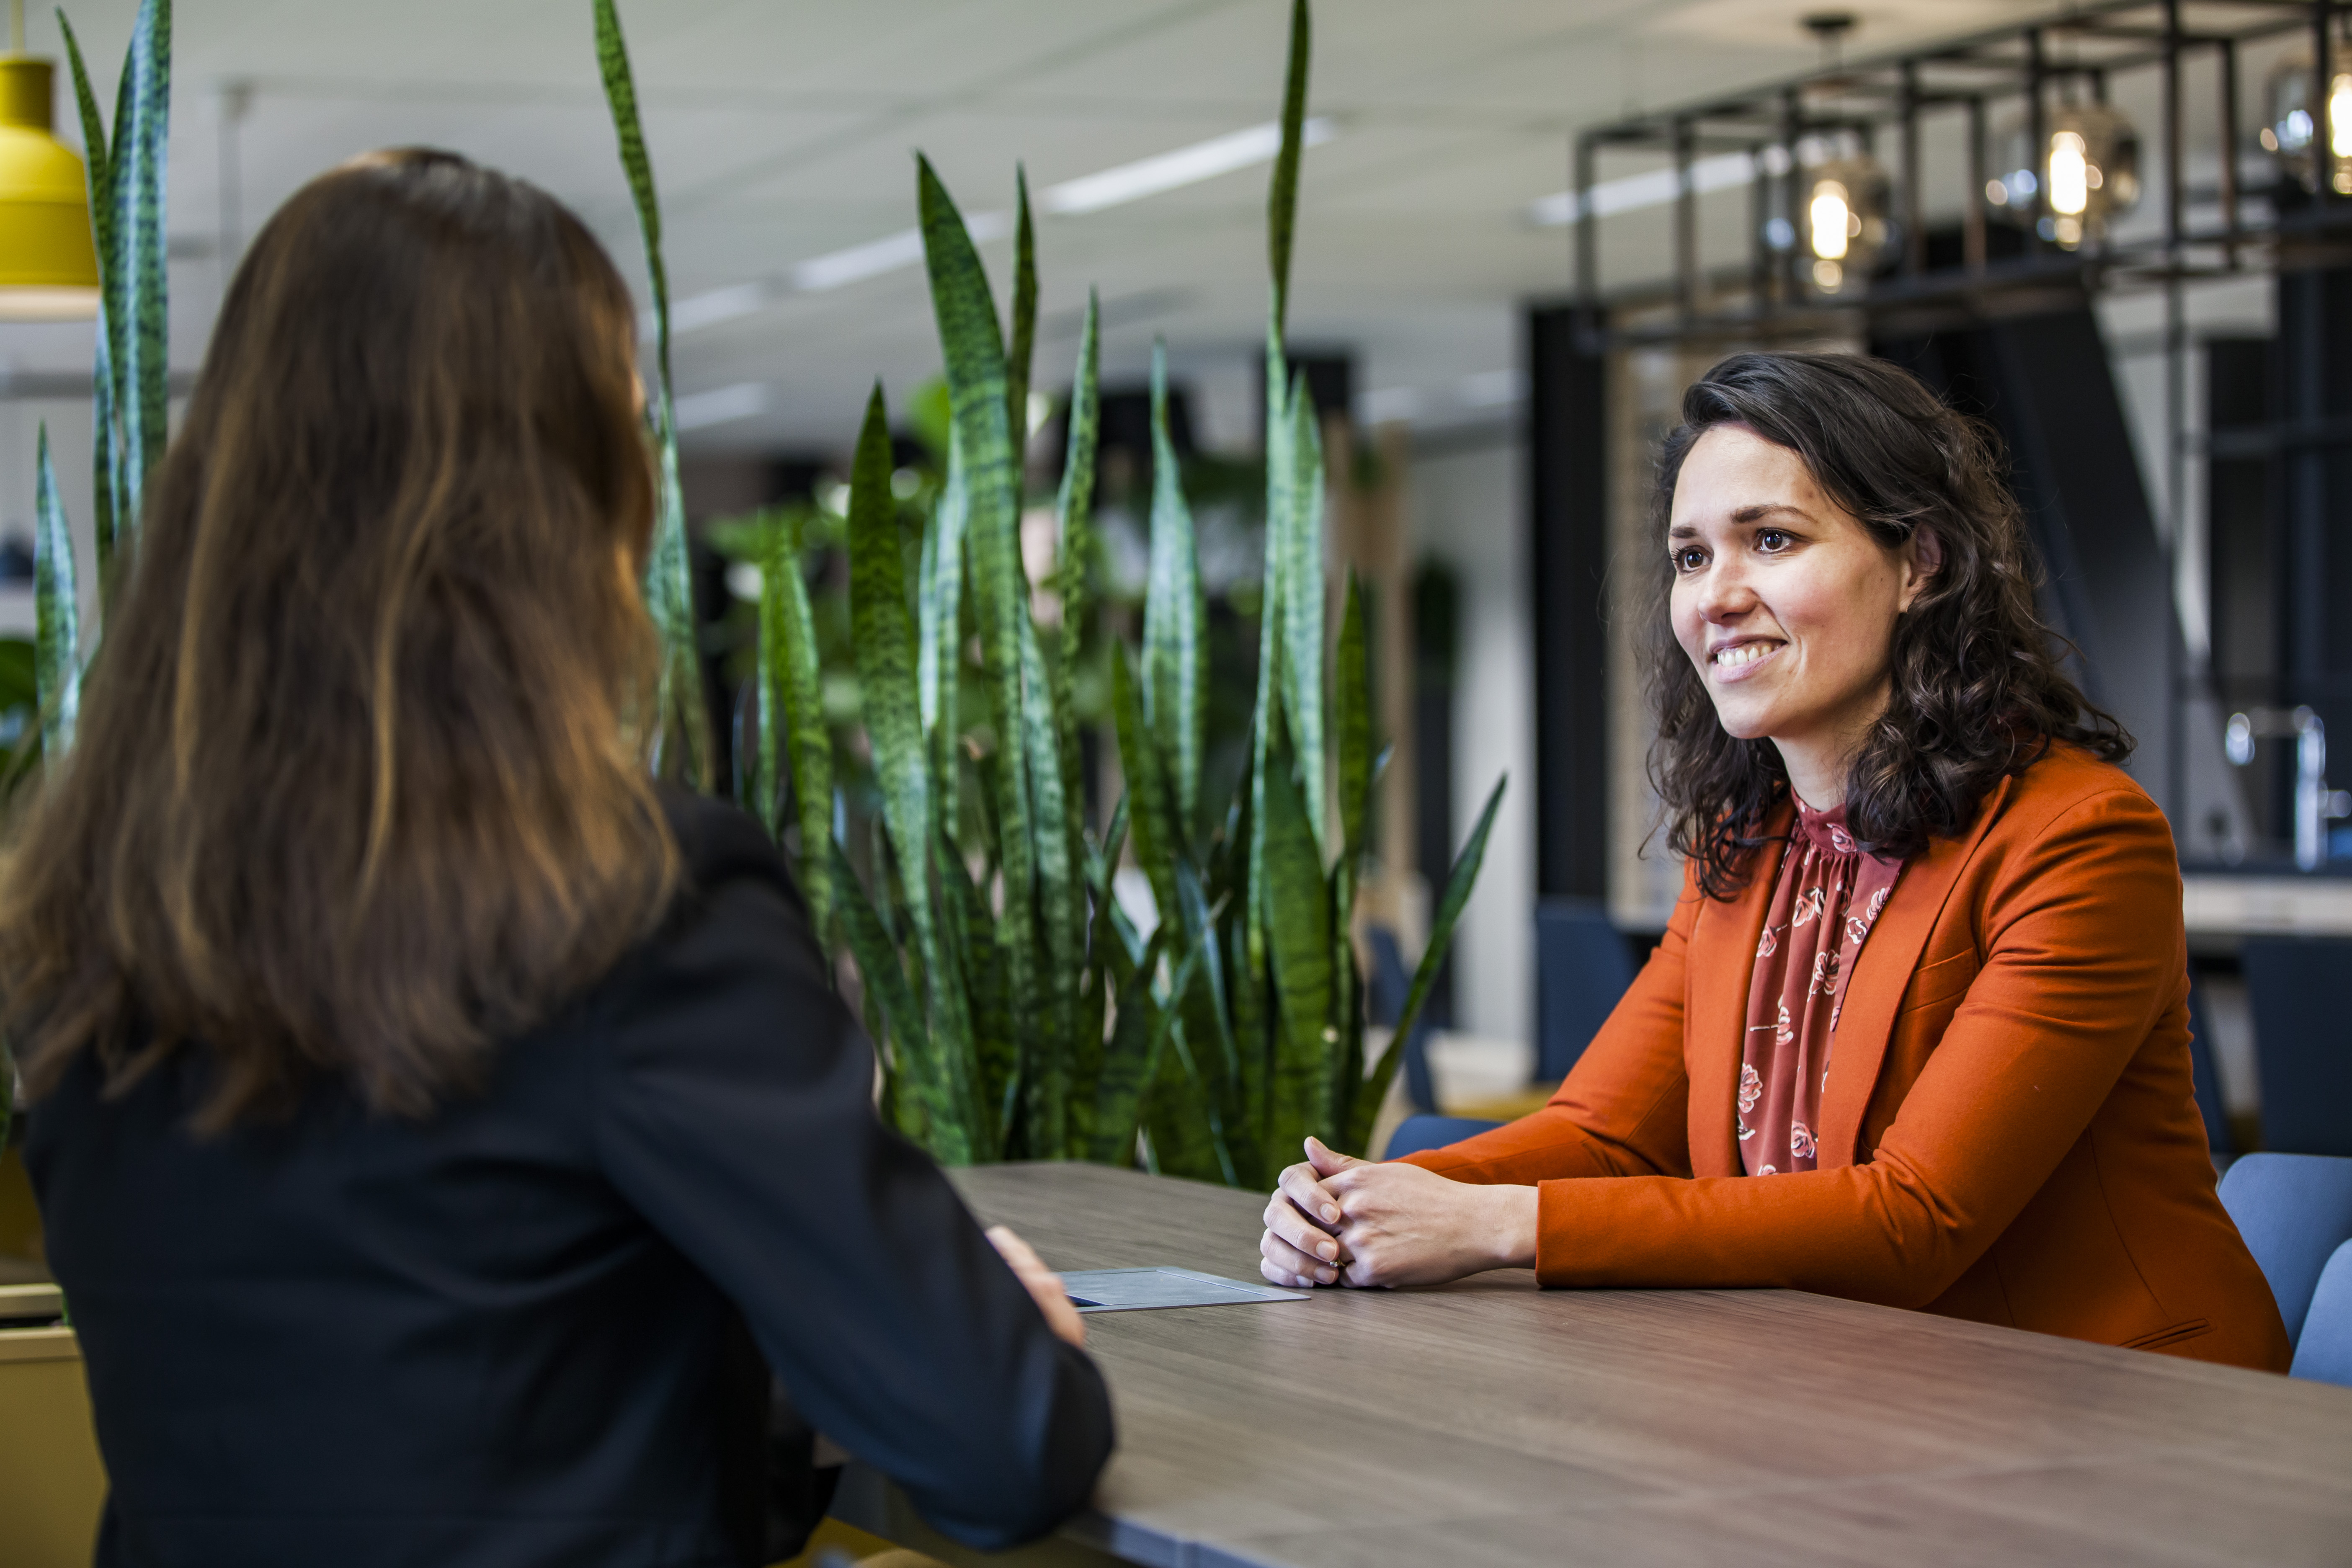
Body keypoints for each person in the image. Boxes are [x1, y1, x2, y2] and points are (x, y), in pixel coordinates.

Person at [4, 149, 1112, 1566]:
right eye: (627, 435)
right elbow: (1005, 1449)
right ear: (552, 506)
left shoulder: (87, 925)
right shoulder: (639, 902)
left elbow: (442, 1394)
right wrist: (973, 1332)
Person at [1260, 351, 2288, 1372]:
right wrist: (1365, 1199)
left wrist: (1498, 1226)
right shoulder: (1744, 850)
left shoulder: (2079, 842)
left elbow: (1914, 1217)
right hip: (1847, 1384)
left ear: (1919, 564)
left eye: (1773, 540)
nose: (1717, 596)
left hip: (2118, 1403)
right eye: (1693, 556)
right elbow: (1605, 1136)